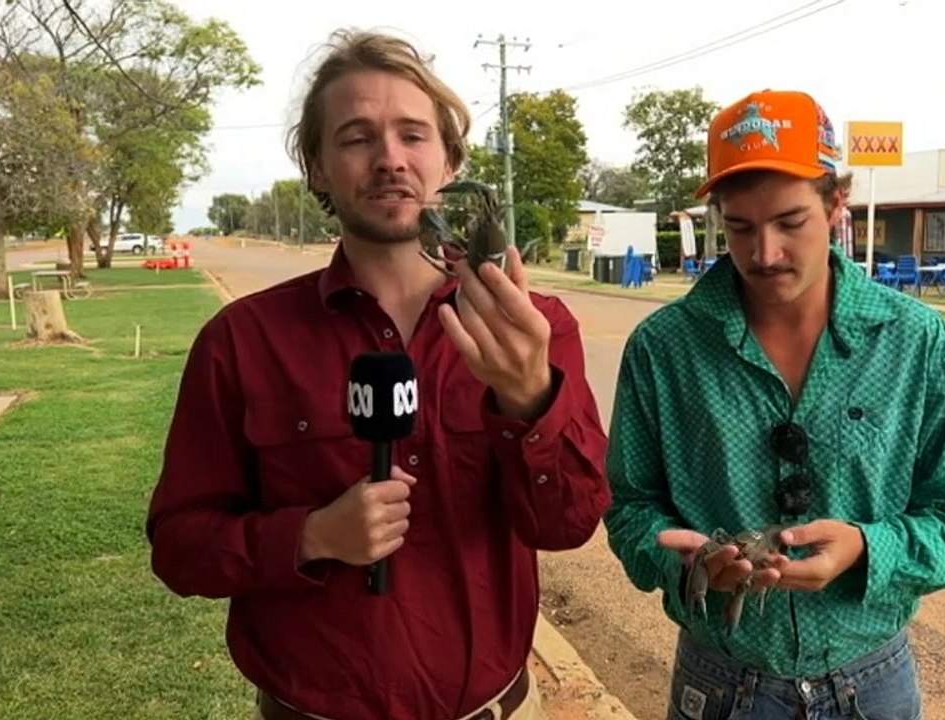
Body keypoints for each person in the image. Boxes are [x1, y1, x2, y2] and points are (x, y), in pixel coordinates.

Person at [145, 28, 611, 720]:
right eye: (358, 137)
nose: (390, 159)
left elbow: (569, 524)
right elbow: (181, 547)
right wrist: (312, 536)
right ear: (318, 168)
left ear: (449, 160)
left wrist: (527, 395)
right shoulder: (242, 342)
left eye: (413, 135)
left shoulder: (532, 327)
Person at [602, 89, 945, 719]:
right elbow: (630, 507)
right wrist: (686, 565)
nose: (765, 254)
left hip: (874, 682)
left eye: (790, 223)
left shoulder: (916, 342)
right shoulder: (665, 348)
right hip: (723, 681)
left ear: (837, 204)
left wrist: (868, 549)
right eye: (740, 228)